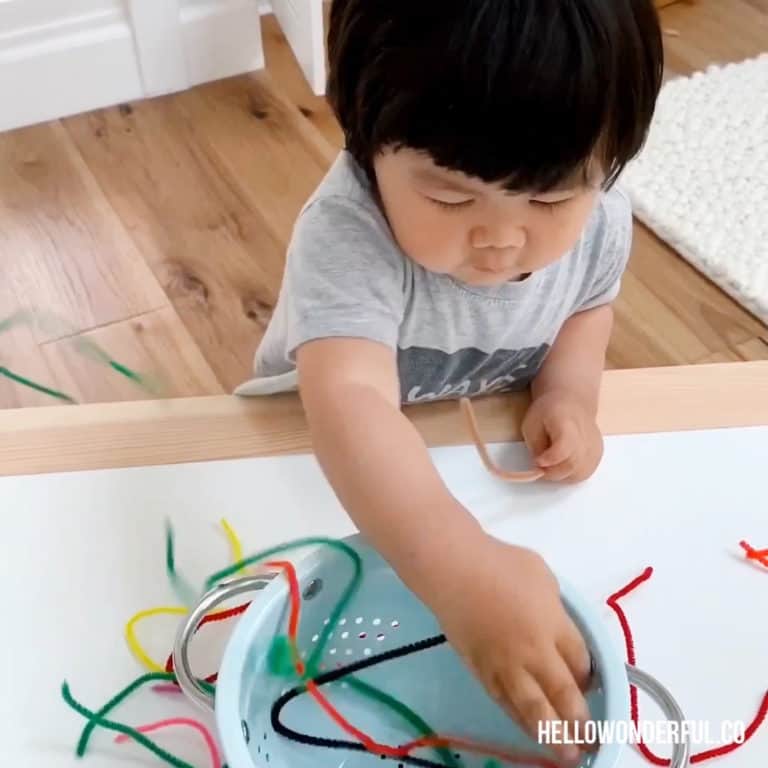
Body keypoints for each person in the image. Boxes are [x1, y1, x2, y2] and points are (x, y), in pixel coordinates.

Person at [236, 0, 663, 763]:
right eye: (450, 198)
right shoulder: (349, 233)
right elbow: (350, 399)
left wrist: (568, 393)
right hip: (304, 451)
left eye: (549, 199)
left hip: (469, 440)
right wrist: (460, 569)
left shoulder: (601, 218)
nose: (501, 237)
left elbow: (587, 309)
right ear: (366, 142)